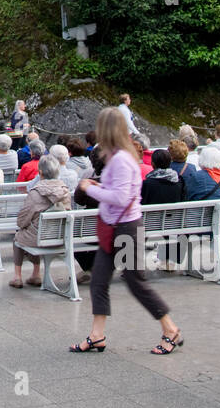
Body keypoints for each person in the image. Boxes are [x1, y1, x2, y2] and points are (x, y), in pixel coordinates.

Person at [70, 107, 182, 356]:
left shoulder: (120, 159)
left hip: (125, 228)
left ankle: (170, 328)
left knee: (136, 282)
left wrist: (90, 188)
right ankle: (97, 335)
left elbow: (120, 197)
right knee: (99, 281)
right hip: (116, 226)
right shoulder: (119, 155)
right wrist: (99, 186)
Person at [11, 155, 71, 288]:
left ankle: (19, 276)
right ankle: (35, 274)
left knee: (19, 237)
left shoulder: (35, 193)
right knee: (32, 232)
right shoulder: (65, 191)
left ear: (41, 173)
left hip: (39, 238)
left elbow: (22, 220)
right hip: (61, 236)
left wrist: (22, 226)